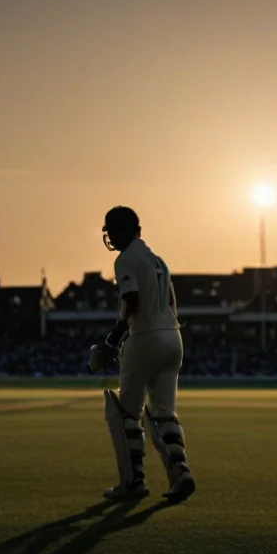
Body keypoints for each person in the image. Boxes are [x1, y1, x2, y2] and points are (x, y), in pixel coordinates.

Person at [88, 206, 195, 503]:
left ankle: (132, 482)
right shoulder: (158, 260)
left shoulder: (125, 260)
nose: (109, 238)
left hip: (144, 337)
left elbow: (131, 302)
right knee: (163, 411)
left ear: (121, 231)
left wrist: (113, 339)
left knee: (125, 413)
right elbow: (171, 302)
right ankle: (181, 472)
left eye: (111, 231)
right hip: (173, 338)